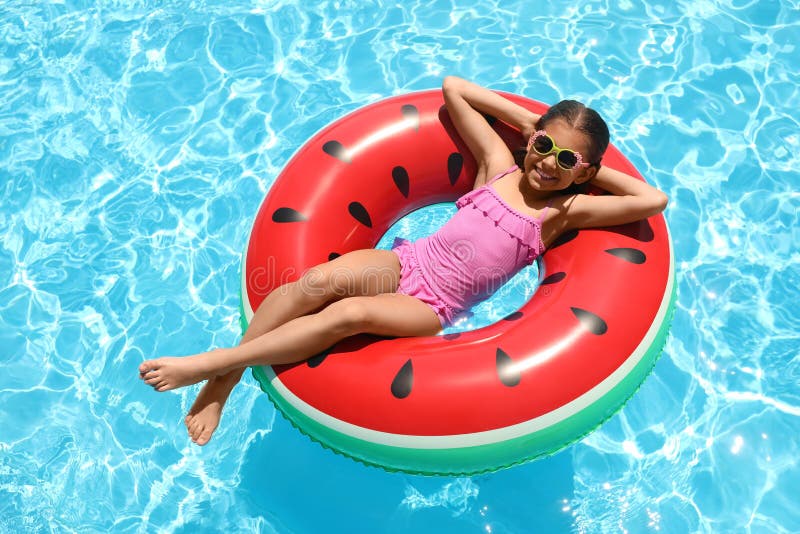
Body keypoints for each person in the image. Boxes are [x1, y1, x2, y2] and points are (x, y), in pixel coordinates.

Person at [138, 76, 668, 445]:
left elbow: (652, 200)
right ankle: (226, 380)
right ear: (532, 139)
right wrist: (531, 125)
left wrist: (586, 171)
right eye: (545, 145)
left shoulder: (563, 212)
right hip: (407, 261)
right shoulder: (498, 165)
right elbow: (455, 89)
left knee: (349, 315)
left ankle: (209, 364)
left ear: (584, 172)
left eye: (567, 159)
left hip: (434, 305)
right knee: (317, 281)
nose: (549, 162)